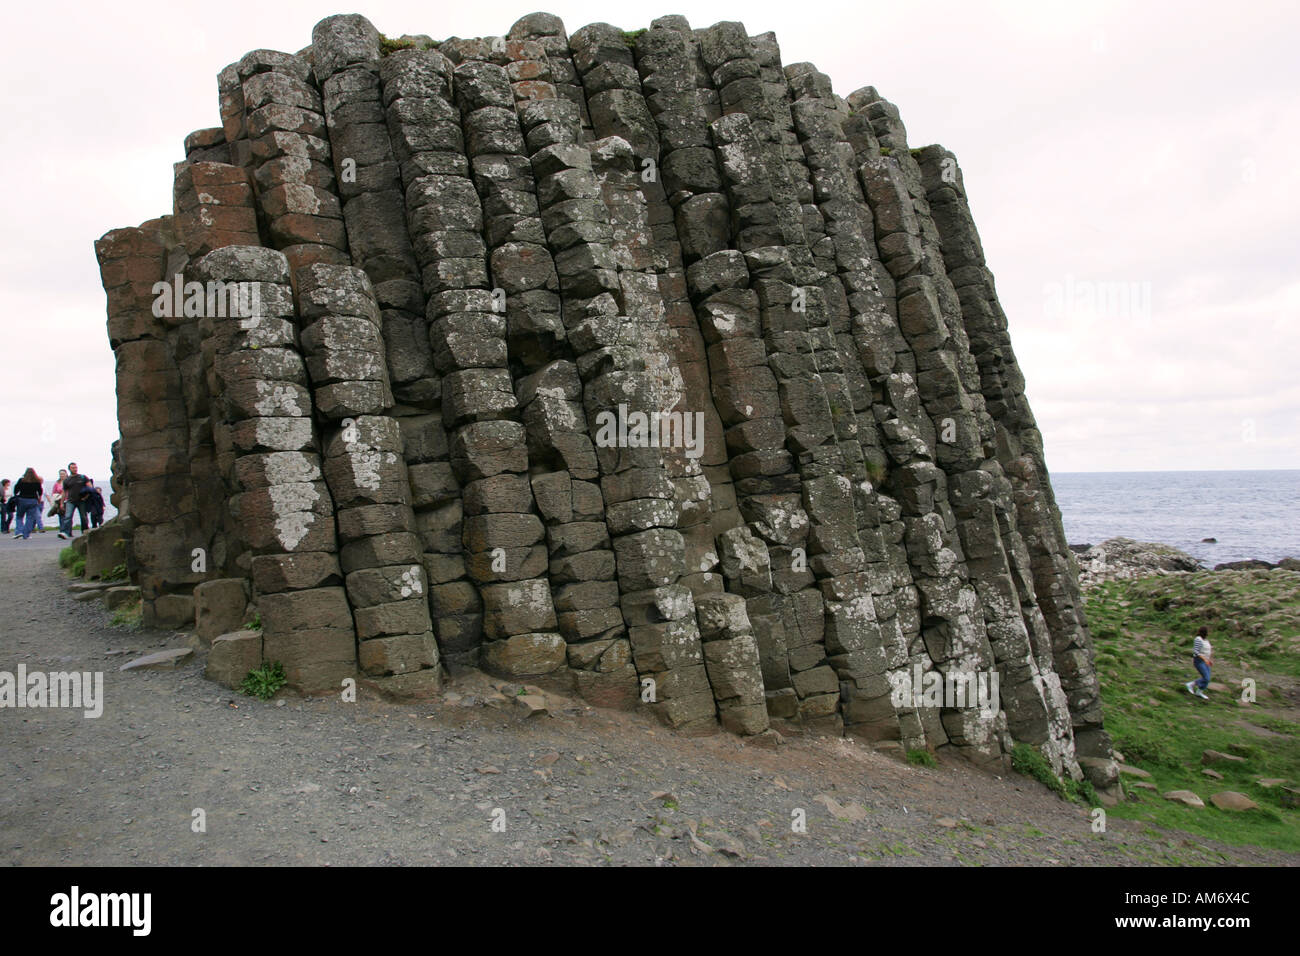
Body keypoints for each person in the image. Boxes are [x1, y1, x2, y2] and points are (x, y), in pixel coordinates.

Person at [12, 468, 43, 540]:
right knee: (30, 518)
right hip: (33, 500)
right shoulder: (37, 481)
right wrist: (38, 498)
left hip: (22, 500)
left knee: (19, 516)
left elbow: (16, 489)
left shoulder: (21, 480)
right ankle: (26, 534)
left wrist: (16, 495)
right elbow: (40, 491)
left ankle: (19, 532)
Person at [62, 462, 90, 537]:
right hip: (70, 501)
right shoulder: (67, 480)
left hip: (81, 500)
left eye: (76, 467)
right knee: (68, 516)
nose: (75, 469)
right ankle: (65, 532)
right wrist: (62, 502)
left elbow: (90, 487)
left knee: (83, 517)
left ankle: (85, 531)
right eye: (73, 468)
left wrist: (86, 496)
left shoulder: (82, 477)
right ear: (69, 469)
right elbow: (64, 492)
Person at [1185, 625, 1213, 700]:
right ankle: (1191, 684)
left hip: (1206, 661)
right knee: (1206, 678)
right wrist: (1205, 659)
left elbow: (1207, 651)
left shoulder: (1206, 641)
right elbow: (1196, 652)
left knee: (1208, 678)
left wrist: (1209, 660)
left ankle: (1199, 692)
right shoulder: (1198, 639)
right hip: (1199, 661)